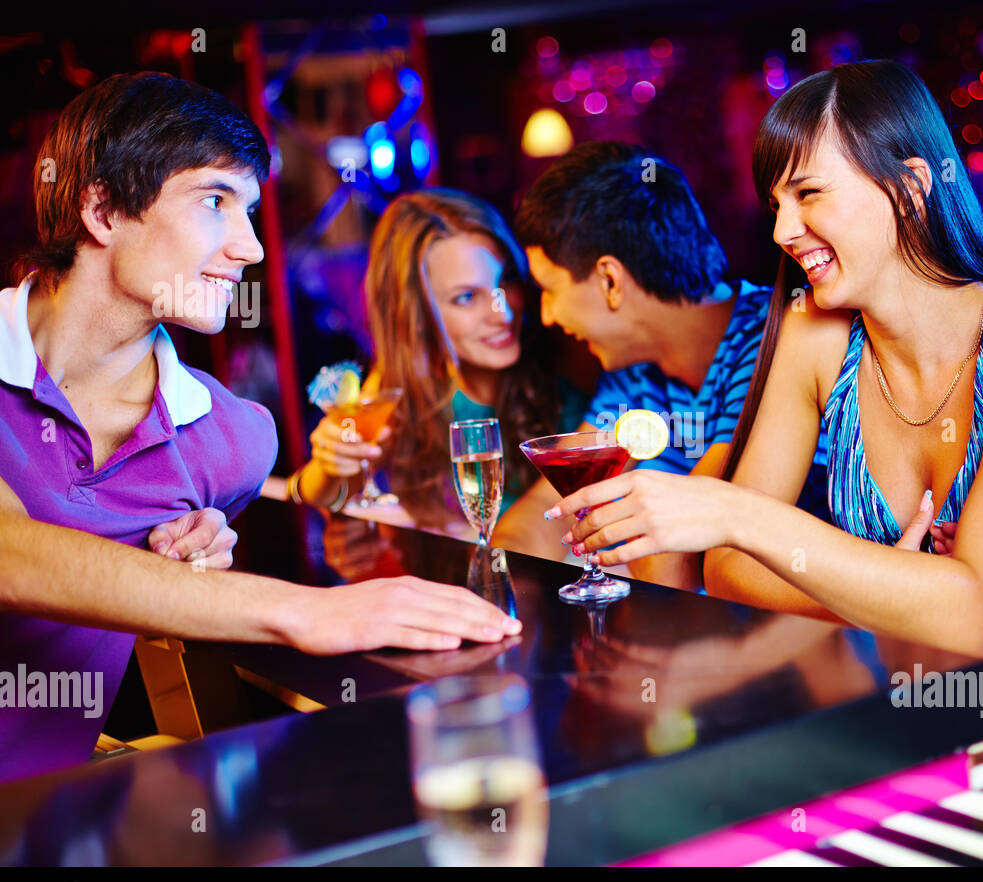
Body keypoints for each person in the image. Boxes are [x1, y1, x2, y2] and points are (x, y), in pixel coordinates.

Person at [0, 73, 519, 783]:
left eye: (250, 209)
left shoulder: (233, 440)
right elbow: (10, 554)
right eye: (215, 200)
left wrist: (186, 564)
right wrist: (305, 612)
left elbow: (159, 597)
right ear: (102, 209)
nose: (251, 248)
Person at [547, 60, 983, 651]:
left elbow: (971, 618)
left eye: (808, 193)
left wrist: (735, 512)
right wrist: (894, 595)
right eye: (777, 204)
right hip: (890, 705)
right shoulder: (816, 333)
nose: (783, 231)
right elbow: (727, 571)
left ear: (911, 187)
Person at [493, 141, 832, 591]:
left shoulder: (775, 345)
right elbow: (547, 514)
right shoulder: (634, 371)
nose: (548, 316)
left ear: (610, 281)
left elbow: (677, 568)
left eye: (549, 289)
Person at [289, 188, 586, 529]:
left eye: (505, 282)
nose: (502, 314)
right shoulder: (401, 389)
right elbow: (322, 498)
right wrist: (329, 462)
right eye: (466, 297)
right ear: (417, 314)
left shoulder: (569, 349)